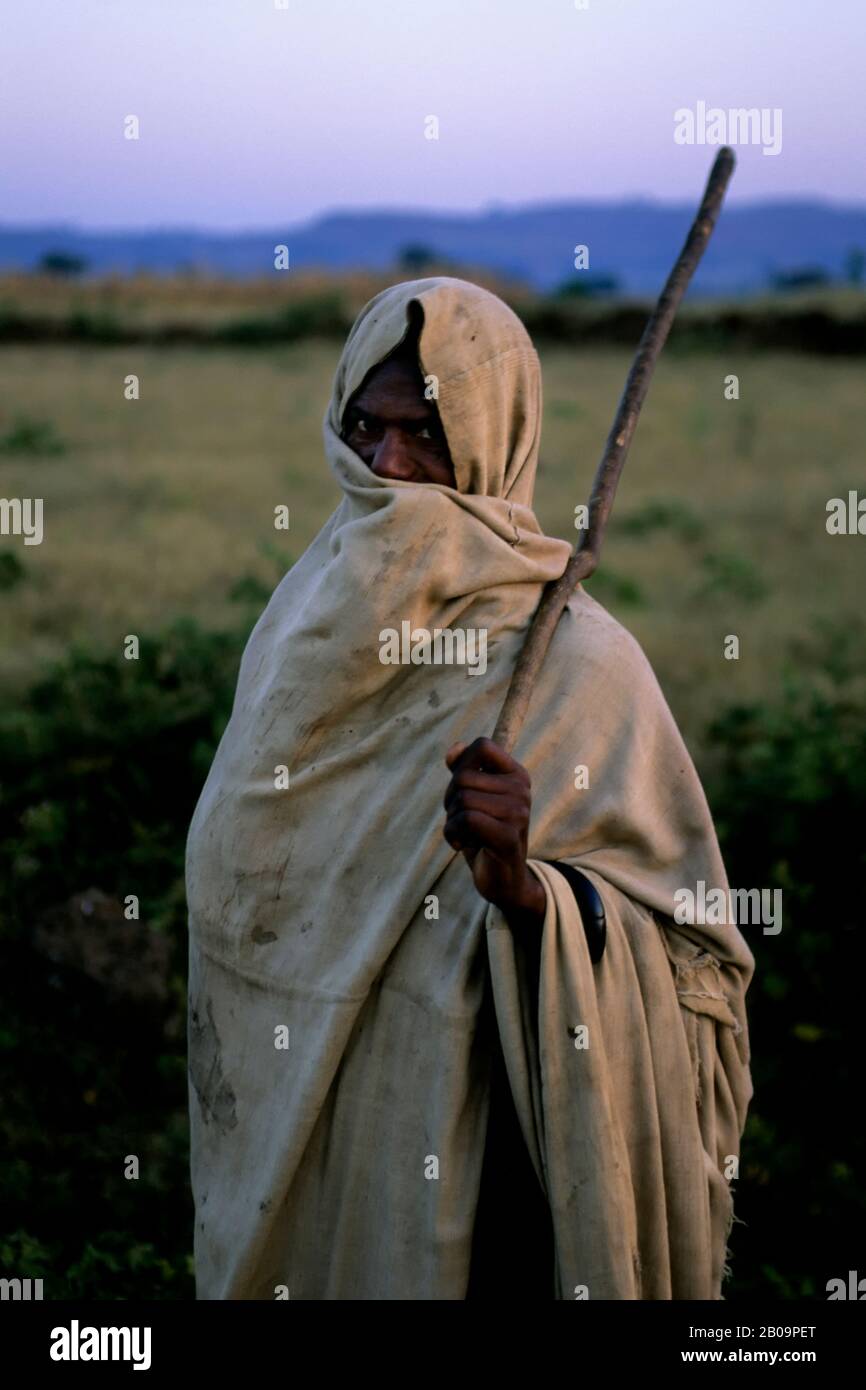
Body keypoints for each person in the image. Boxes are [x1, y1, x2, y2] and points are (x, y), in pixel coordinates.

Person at [185, 276, 754, 1301]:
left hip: (486, 1159)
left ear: (495, 442)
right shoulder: (304, 625)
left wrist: (530, 890)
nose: (388, 466)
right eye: (364, 428)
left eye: (427, 435)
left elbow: (694, 961)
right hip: (299, 1127)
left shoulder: (579, 662)